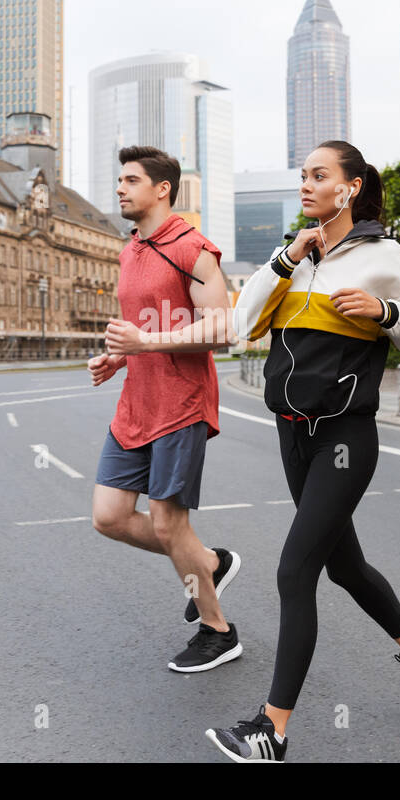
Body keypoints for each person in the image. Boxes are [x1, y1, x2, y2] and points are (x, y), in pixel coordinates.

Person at [205, 140, 400, 762]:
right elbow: (239, 326)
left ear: (352, 186)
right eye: (303, 176)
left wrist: (386, 310)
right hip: (291, 432)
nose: (306, 185)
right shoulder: (296, 257)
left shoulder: (383, 255)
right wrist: (285, 260)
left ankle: (271, 729)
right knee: (344, 567)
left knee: (295, 571)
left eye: (319, 175)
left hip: (344, 437)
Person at [88, 145, 243, 673]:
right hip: (135, 405)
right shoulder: (128, 250)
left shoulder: (192, 248)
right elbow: (141, 325)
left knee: (167, 523)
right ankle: (211, 562)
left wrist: (144, 344)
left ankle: (218, 631)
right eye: (119, 179)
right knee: (108, 517)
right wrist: (116, 356)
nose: (120, 188)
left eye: (130, 180)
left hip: (181, 405)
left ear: (162, 190)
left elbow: (223, 328)